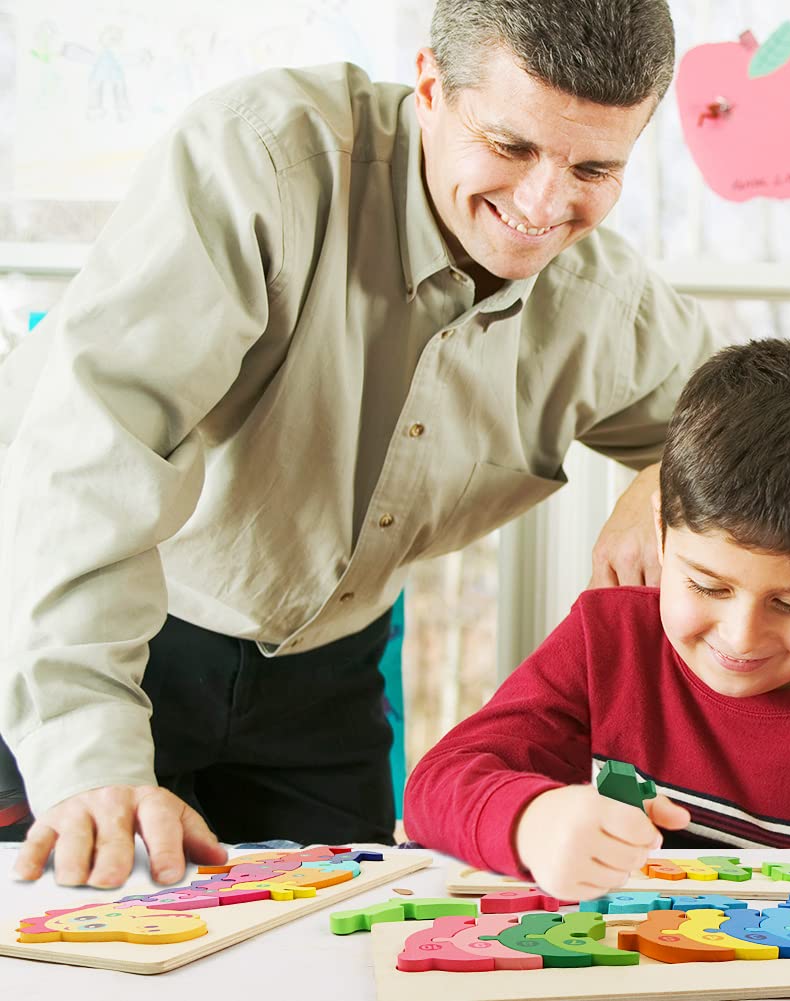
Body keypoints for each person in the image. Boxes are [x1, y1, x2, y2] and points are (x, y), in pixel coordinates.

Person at [0, 0, 718, 889]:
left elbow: (757, 427)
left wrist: (663, 478)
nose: (542, 206)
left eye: (593, 167)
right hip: (84, 621)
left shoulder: (606, 307)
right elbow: (91, 460)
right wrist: (88, 756)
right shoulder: (260, 163)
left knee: (332, 948)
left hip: (322, 675)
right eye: (510, 146)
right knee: (60, 942)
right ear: (428, 87)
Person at [403, 339, 790, 901]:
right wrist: (531, 821)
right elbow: (436, 787)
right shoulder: (607, 644)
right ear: (660, 533)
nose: (741, 636)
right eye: (706, 585)